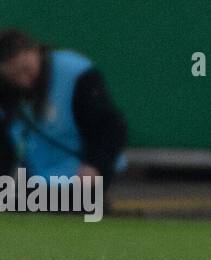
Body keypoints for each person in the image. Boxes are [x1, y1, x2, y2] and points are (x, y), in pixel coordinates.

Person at [0, 29, 127, 190]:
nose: (23, 81)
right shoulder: (6, 89)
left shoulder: (74, 73)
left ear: (34, 51)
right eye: (14, 76)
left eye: (26, 70)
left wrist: (95, 165)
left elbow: (110, 125)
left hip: (83, 172)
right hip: (37, 174)